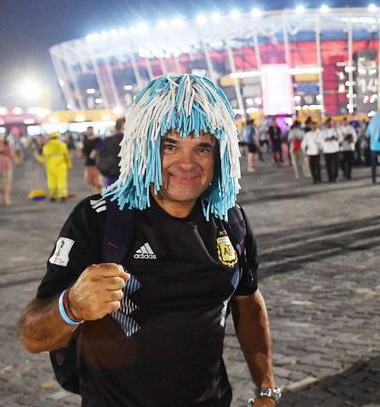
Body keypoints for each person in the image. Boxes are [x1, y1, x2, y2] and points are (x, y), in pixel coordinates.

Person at [19, 74, 279, 406]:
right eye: (170, 145)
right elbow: (31, 335)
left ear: (221, 154)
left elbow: (248, 301)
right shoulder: (99, 218)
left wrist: (266, 388)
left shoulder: (230, 219)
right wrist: (70, 306)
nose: (186, 163)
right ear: (144, 145)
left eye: (203, 147)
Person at [37, 132, 72, 201]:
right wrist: (69, 165)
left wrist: (38, 158)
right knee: (62, 181)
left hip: (50, 166)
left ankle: (53, 196)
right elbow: (67, 156)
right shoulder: (63, 145)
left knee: (51, 181)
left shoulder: (46, 146)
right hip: (61, 166)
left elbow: (44, 158)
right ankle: (62, 195)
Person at [94, 117, 125, 187]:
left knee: (111, 195)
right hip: (126, 175)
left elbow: (92, 154)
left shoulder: (107, 140)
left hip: (111, 174)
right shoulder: (128, 140)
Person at [366, 113, 380, 184]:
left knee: (373, 164)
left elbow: (367, 135)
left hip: (373, 147)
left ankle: (373, 179)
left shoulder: (370, 125)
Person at [81, 126, 103, 193]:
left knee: (97, 182)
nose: (90, 132)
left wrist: (95, 151)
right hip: (88, 164)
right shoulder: (85, 140)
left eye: (91, 130)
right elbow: (83, 151)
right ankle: (95, 195)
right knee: (90, 182)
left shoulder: (98, 140)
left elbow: (103, 146)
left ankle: (97, 195)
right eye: (89, 130)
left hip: (97, 164)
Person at [321, 118, 341, 182]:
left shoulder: (336, 130)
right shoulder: (323, 131)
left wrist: (335, 138)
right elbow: (321, 140)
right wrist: (327, 139)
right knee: (328, 165)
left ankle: (336, 177)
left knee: (336, 165)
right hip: (327, 150)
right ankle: (330, 177)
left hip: (335, 149)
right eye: (328, 123)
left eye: (331, 123)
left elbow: (341, 138)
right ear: (326, 124)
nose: (330, 124)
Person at [0, 132, 13, 205]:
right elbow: (10, 154)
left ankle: (2, 198)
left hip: (4, 165)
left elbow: (10, 154)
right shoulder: (6, 143)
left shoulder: (6, 143)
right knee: (7, 182)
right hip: (5, 164)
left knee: (4, 183)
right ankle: (5, 198)